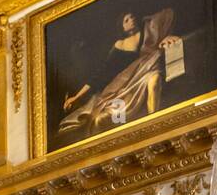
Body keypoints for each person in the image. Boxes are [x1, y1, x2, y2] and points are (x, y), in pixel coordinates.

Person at [59, 9, 182, 142]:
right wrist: (77, 97)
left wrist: (166, 37)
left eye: (132, 17)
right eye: (126, 20)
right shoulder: (120, 44)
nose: (132, 20)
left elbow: (167, 17)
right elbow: (101, 73)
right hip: (125, 84)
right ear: (122, 27)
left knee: (154, 81)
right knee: (101, 119)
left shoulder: (149, 30)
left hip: (148, 69)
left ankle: (154, 129)